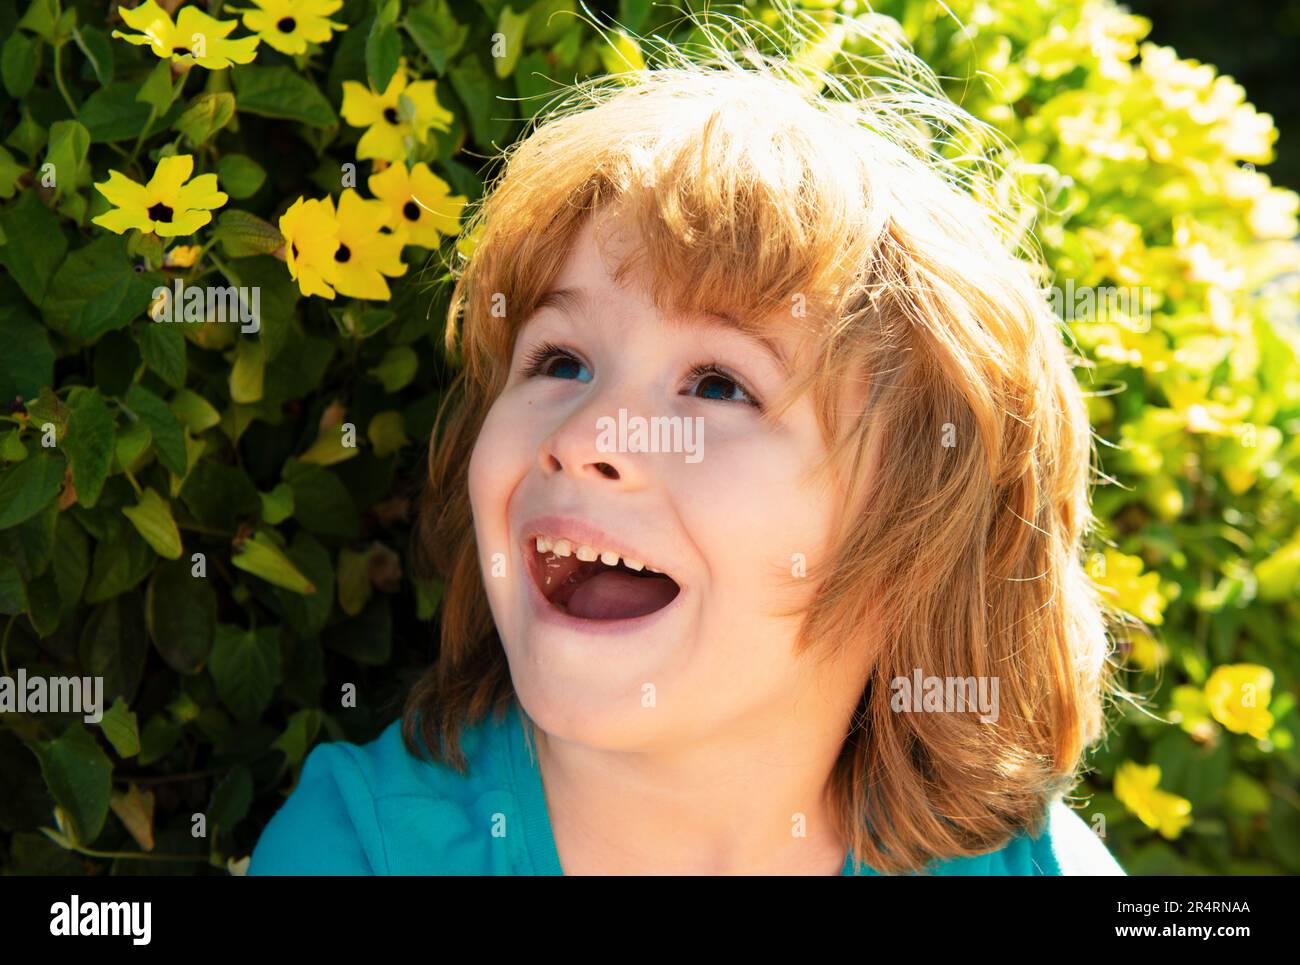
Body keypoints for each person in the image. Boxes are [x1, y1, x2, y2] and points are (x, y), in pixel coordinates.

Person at [249, 9, 1126, 876]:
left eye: (717, 385)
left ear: (914, 549)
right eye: (559, 360)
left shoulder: (1039, 866)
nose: (588, 435)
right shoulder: (357, 850)